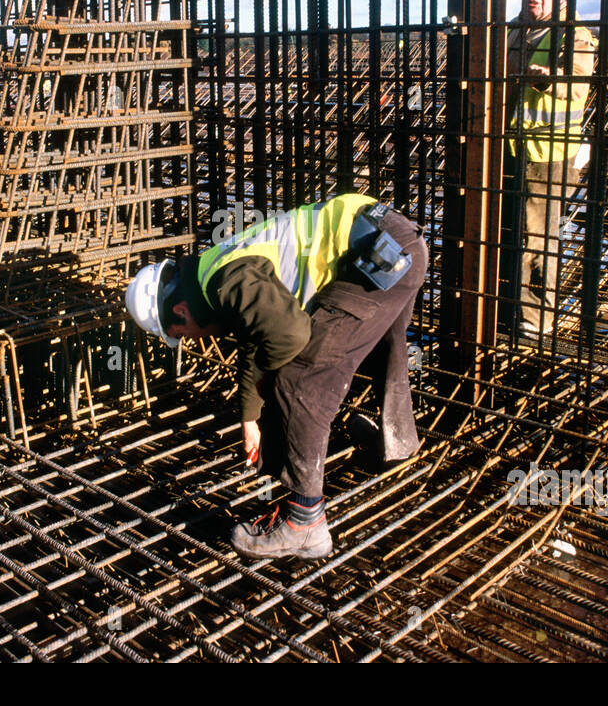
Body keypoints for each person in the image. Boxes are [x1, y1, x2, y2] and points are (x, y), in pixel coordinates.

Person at [125, 193, 428, 560]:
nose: (191, 340)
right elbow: (257, 327)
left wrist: (271, 387)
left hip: (378, 255)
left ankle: (305, 523)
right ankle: (396, 444)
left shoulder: (226, 280)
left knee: (300, 380)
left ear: (180, 310)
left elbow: (288, 335)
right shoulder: (214, 269)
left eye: (182, 334)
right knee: (385, 345)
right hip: (393, 241)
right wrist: (250, 417)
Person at [507, 0, 598, 337]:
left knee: (539, 240)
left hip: (552, 155)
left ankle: (536, 319)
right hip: (512, 150)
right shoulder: (513, 28)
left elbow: (578, 87)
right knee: (510, 233)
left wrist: (547, 78)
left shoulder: (573, 35)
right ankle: (507, 307)